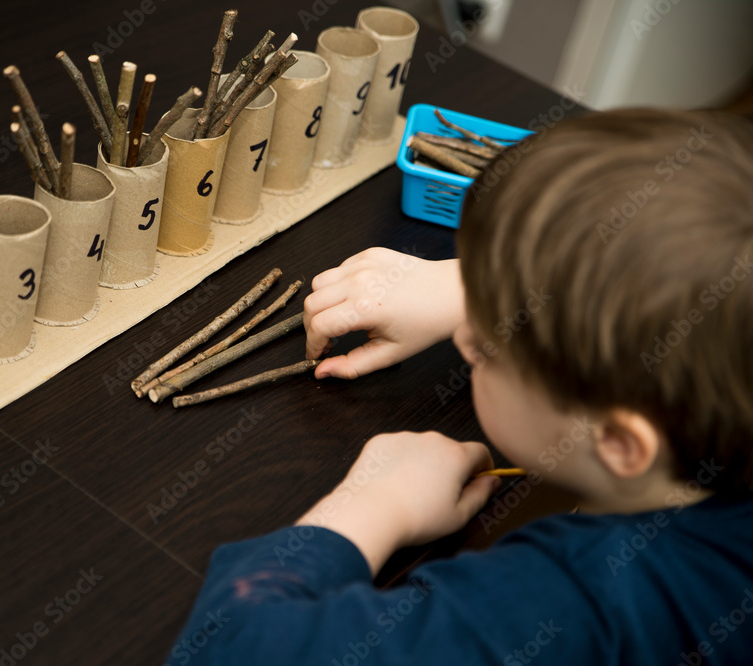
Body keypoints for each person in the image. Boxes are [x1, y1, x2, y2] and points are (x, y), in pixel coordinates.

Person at [164, 108, 753, 665]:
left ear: (621, 445)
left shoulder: (577, 609)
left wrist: (373, 505)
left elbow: (233, 646)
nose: (467, 338)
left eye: (492, 346)